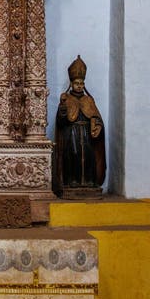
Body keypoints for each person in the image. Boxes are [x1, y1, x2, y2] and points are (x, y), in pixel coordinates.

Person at [54, 55, 106, 196]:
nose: (79, 86)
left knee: (89, 155)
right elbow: (60, 122)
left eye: (82, 83)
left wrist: (98, 125)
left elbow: (96, 117)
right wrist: (63, 111)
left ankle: (89, 181)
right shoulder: (66, 99)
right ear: (71, 84)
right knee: (74, 154)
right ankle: (72, 181)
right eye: (77, 83)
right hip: (72, 134)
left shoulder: (89, 100)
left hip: (87, 133)